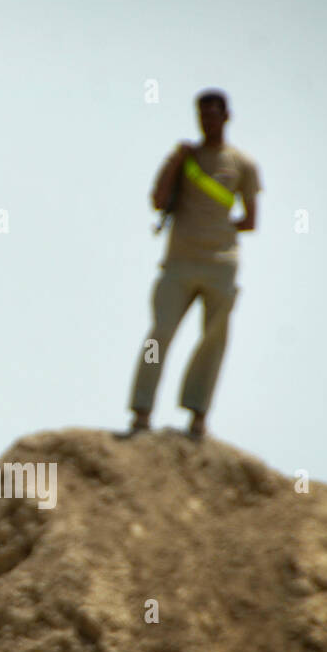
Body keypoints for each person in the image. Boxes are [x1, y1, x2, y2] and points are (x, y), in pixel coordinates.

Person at [125, 90, 261, 439]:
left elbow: (250, 220)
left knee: (213, 340)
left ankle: (197, 417)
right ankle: (141, 411)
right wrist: (175, 160)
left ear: (226, 116)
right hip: (178, 264)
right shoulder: (184, 158)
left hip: (221, 264)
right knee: (159, 334)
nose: (207, 121)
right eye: (202, 115)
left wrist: (218, 230)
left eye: (213, 115)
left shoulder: (242, 165)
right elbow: (157, 200)